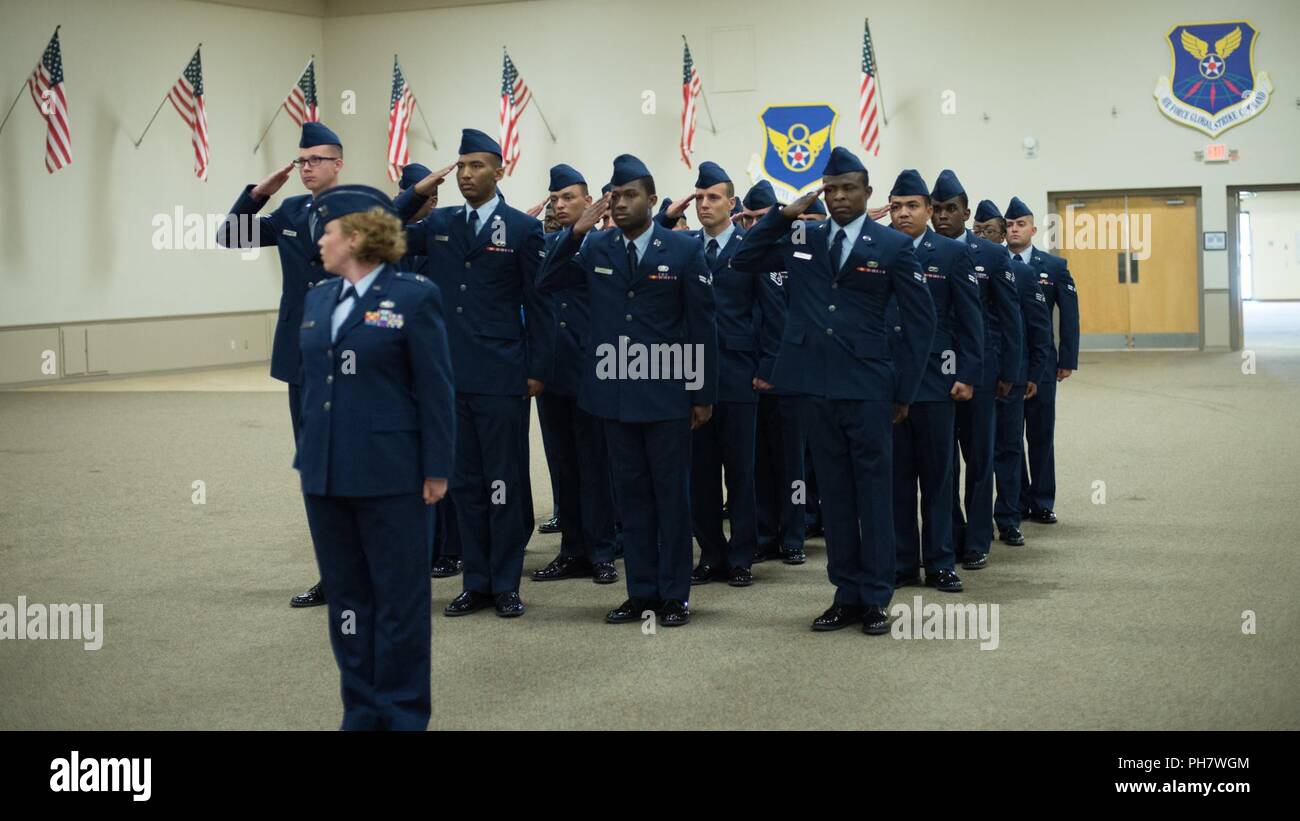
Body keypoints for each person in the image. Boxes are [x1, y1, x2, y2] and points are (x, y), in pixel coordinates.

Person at [216, 121, 421, 609]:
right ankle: (336, 575)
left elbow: (398, 220)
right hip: (304, 360)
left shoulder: (364, 210)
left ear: (338, 163)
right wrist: (257, 194)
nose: (307, 168)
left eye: (316, 160)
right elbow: (230, 236)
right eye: (301, 161)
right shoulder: (287, 210)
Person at [731, 147, 936, 635]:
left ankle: (877, 596)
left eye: (850, 188)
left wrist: (903, 391)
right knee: (837, 495)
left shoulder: (891, 247)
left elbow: (921, 323)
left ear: (867, 193)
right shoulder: (804, 234)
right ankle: (845, 592)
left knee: (873, 494)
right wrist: (783, 215)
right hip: (814, 387)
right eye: (833, 188)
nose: (841, 196)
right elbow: (744, 257)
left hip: (868, 387)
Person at [295, 184, 455, 730]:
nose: (320, 240)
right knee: (346, 599)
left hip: (393, 473)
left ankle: (403, 714)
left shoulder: (413, 296)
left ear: (357, 236)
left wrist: (437, 466)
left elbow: (435, 388)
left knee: (399, 601)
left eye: (329, 230)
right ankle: (361, 711)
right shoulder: (319, 298)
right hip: (325, 471)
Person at [538, 154, 717, 627]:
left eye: (630, 195)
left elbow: (702, 325)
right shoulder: (596, 248)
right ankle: (641, 593)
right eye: (613, 196)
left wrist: (701, 393)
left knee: (670, 497)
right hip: (613, 395)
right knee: (632, 497)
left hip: (665, 394)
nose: (619, 203)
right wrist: (575, 233)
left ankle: (675, 595)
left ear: (652, 200)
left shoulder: (682, 251)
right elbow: (547, 280)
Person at [393, 128, 552, 619]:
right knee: (464, 482)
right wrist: (415, 195)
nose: (465, 175)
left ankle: (505, 582)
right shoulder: (438, 223)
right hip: (449, 376)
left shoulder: (522, 230)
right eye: (460, 167)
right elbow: (381, 233)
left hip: (503, 376)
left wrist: (538, 369)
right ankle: (475, 580)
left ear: (499, 171)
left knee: (502, 480)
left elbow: (539, 304)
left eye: (476, 166)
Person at [660, 162, 761, 587]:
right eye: (699, 197)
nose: (704, 205)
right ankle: (711, 555)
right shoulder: (683, 249)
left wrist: (765, 368)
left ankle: (741, 556)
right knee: (699, 473)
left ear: (731, 202)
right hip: (692, 374)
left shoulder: (751, 247)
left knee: (740, 471)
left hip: (739, 374)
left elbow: (767, 311)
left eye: (713, 197)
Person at [884, 170, 982, 593]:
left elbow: (969, 318)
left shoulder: (949, 254)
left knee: (938, 477)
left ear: (928, 210)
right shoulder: (878, 248)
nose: (904, 214)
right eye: (896, 206)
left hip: (936, 381)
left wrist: (967, 372)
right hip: (888, 382)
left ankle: (941, 560)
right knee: (896, 479)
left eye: (912, 206)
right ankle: (904, 562)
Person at [530, 163, 620, 585]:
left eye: (569, 197)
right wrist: (573, 234)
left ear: (590, 201)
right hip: (554, 373)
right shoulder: (548, 244)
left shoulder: (605, 244)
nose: (561, 205)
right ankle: (571, 550)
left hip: (595, 372)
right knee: (564, 465)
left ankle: (601, 550)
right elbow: (544, 284)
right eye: (555, 199)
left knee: (596, 465)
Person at [929, 171, 1021, 571]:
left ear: (966, 212)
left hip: (981, 372)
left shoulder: (993, 256)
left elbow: (1008, 318)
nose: (943, 216)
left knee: (979, 459)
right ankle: (950, 533)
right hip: (932, 375)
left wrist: (1010, 371)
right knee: (940, 463)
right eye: (937, 209)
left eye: (951, 209)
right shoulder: (918, 252)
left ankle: (978, 541)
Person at [971, 201, 1053, 547]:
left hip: (1010, 376)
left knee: (1007, 448)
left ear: (1002, 234)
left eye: (990, 231)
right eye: (978, 231)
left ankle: (1008, 516)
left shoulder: (1020, 272)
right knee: (978, 454)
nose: (983, 237)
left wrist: (1033, 372)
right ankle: (975, 523)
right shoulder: (963, 264)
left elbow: (1036, 328)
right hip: (973, 376)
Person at [1004, 197, 1080, 525]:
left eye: (1020, 224)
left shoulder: (1053, 266)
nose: (1014, 229)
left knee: (1040, 433)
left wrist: (1068, 359)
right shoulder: (995, 262)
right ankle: (1017, 499)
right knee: (1009, 436)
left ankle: (1043, 500)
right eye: (1008, 225)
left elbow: (1069, 316)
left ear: (1033, 229)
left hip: (1043, 362)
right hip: (1007, 364)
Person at [747, 180, 808, 566]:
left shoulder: (794, 258)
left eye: (761, 217)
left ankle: (794, 534)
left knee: (793, 465)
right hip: (749, 378)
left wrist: (773, 369)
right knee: (759, 465)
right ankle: (766, 533)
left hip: (787, 377)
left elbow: (792, 322)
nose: (754, 224)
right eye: (749, 217)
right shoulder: (748, 256)